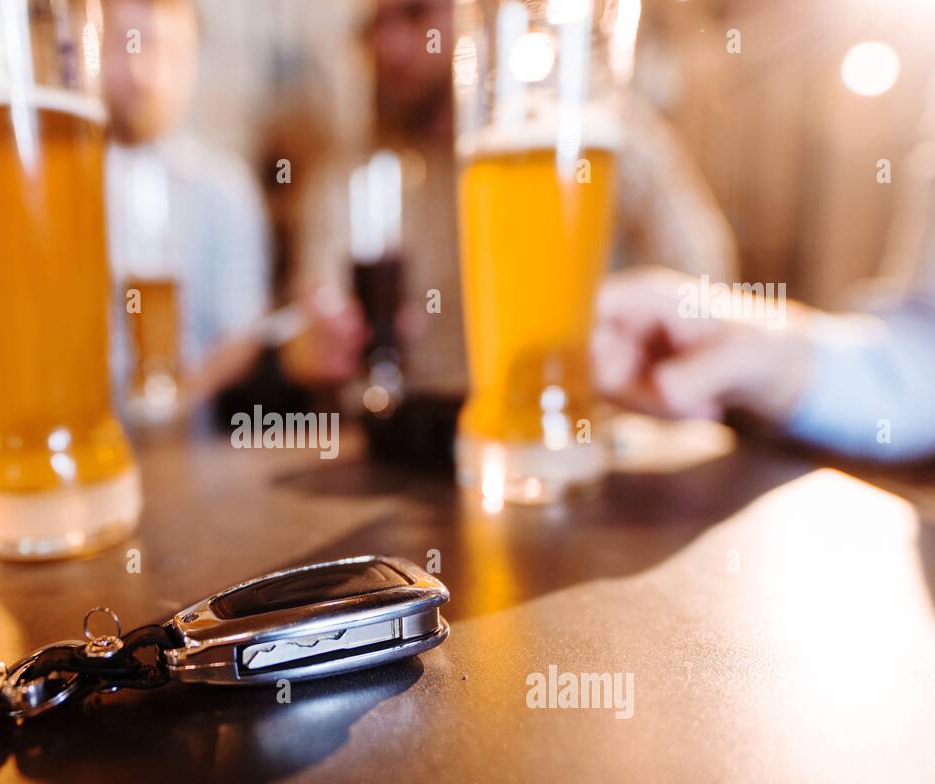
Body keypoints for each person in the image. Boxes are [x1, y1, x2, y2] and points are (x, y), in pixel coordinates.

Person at [283, 0, 739, 396]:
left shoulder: (605, 135)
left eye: (416, 12)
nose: (388, 46)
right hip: (413, 444)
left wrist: (614, 347)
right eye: (372, 27)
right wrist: (311, 348)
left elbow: (703, 280)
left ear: (486, 16)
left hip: (595, 430)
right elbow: (309, 325)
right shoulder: (349, 176)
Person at [595, 107, 935, 463]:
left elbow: (696, 256)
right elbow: (924, 350)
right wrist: (764, 348)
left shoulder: (622, 129)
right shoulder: (619, 125)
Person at [101, 0, 272, 407]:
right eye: (127, 45)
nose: (145, 73)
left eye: (170, 51)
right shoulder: (56, 184)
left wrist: (166, 405)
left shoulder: (224, 188)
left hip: (192, 443)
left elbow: (242, 335)